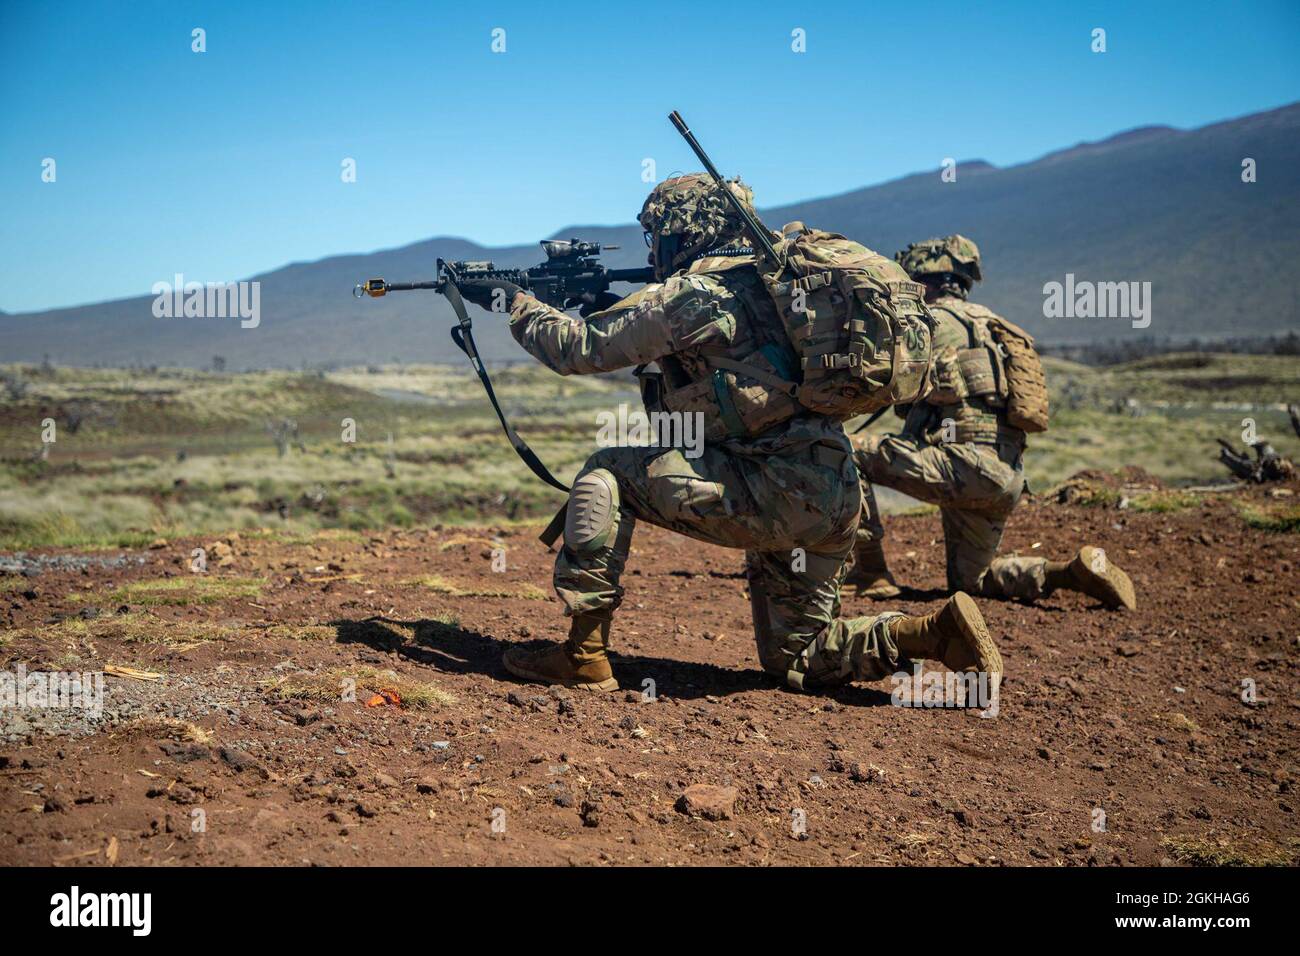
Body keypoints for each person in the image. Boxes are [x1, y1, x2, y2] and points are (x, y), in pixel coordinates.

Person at [454, 178, 1003, 697]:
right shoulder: (785, 290)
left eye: (657, 237)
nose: (651, 252)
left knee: (608, 470)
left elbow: (576, 349)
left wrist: (513, 301)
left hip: (765, 493)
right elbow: (713, 356)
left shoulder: (695, 294)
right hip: (833, 494)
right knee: (799, 657)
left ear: (682, 233)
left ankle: (583, 655)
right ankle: (930, 632)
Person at [844, 235, 1136, 611]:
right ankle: (1069, 573)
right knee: (973, 581)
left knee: (846, 451)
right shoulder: (996, 325)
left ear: (921, 281)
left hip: (959, 464)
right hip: (1004, 476)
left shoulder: (926, 323)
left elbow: (886, 388)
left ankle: (871, 574)